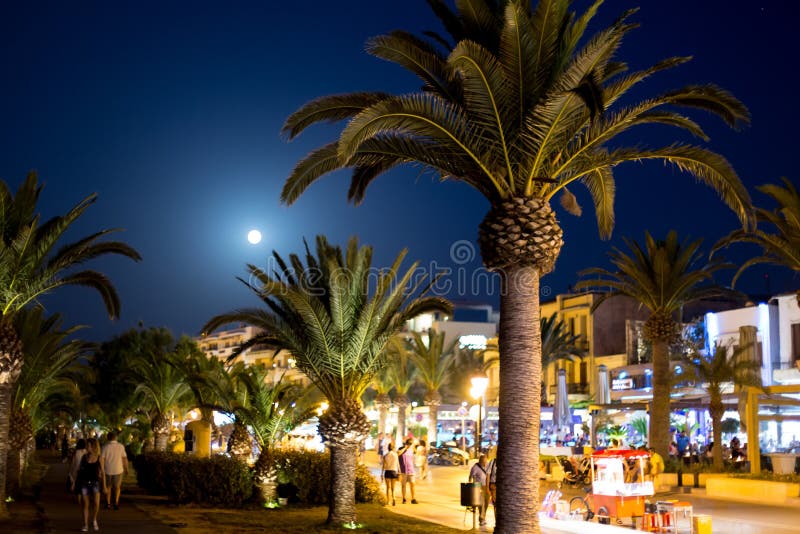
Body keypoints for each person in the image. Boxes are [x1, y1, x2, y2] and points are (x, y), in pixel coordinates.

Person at [72, 437, 106, 532]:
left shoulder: (99, 458)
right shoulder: (84, 457)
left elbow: (103, 472)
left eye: (89, 445)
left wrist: (104, 486)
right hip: (84, 483)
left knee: (96, 503)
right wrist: (74, 483)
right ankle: (85, 524)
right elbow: (78, 470)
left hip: (95, 483)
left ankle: (94, 519)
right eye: (87, 445)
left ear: (93, 446)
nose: (87, 447)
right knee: (85, 505)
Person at [101, 431, 128, 510]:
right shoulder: (121, 446)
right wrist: (126, 468)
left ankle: (108, 503)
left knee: (108, 487)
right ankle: (116, 502)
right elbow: (124, 458)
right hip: (118, 469)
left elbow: (102, 459)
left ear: (108, 438)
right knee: (117, 487)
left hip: (107, 469)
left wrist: (101, 469)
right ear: (116, 438)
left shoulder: (105, 447)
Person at [469, 454, 489, 526]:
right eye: (484, 462)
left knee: (486, 503)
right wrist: (473, 487)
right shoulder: (475, 467)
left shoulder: (487, 466)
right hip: (479, 487)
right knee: (481, 504)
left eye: (486, 461)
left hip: (486, 487)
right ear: (480, 461)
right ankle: (481, 519)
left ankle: (483, 517)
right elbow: (470, 477)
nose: (485, 463)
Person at [397, 438, 418, 504]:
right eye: (410, 444)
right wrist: (405, 448)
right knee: (403, 485)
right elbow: (398, 454)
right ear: (406, 443)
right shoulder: (401, 448)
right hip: (403, 470)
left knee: (412, 484)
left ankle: (413, 498)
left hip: (411, 470)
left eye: (411, 444)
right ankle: (404, 498)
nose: (410, 445)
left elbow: (413, 458)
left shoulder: (411, 450)